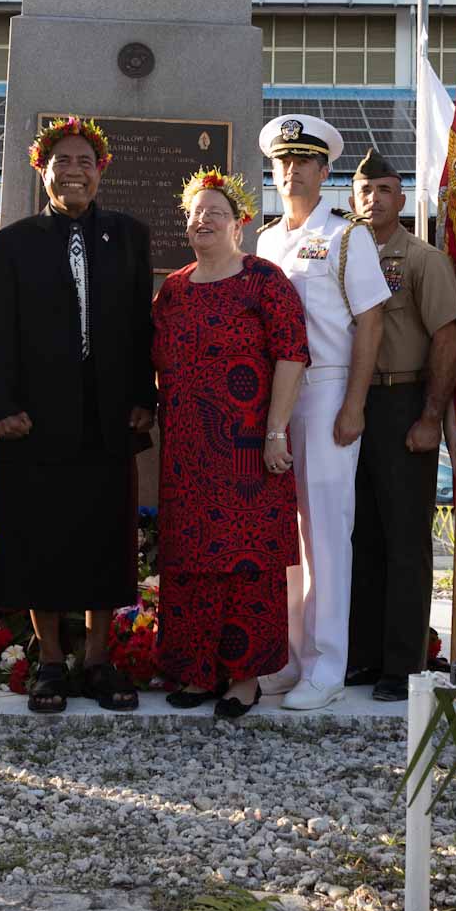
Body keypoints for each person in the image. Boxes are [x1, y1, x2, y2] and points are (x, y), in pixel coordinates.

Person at [0, 117, 156, 713]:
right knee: (43, 536)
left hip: (109, 417)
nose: (74, 170)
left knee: (104, 537)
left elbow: (141, 326)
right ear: (43, 170)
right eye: (62, 160)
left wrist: (144, 398)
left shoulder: (130, 236)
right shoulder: (14, 241)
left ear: (101, 169)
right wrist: (1, 406)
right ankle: (52, 661)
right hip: (37, 418)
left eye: (85, 160)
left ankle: (99, 662)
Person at [152, 169, 308, 719]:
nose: (203, 221)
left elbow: (292, 355)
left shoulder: (266, 281)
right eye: (195, 213)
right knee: (191, 561)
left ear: (239, 221)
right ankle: (195, 674)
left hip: (248, 452)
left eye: (215, 212)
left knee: (248, 565)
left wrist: (274, 431)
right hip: (189, 457)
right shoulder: (172, 290)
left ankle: (244, 679)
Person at [253, 112, 388, 711]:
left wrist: (354, 403)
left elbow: (371, 321)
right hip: (276, 397)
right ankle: (289, 656)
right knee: (285, 532)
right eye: (284, 162)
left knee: (327, 533)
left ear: (325, 170)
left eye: (304, 161)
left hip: (329, 388)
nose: (292, 171)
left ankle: (328, 662)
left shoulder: (347, 236)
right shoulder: (264, 239)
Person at [343, 149, 456, 702]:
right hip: (347, 403)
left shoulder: (421, 259)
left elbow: (447, 337)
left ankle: (402, 662)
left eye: (385, 190)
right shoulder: (339, 253)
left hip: (401, 401)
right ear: (352, 199)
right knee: (360, 535)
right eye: (365, 191)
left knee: (403, 540)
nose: (374, 200)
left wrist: (431, 416)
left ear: (402, 198)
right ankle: (362, 656)